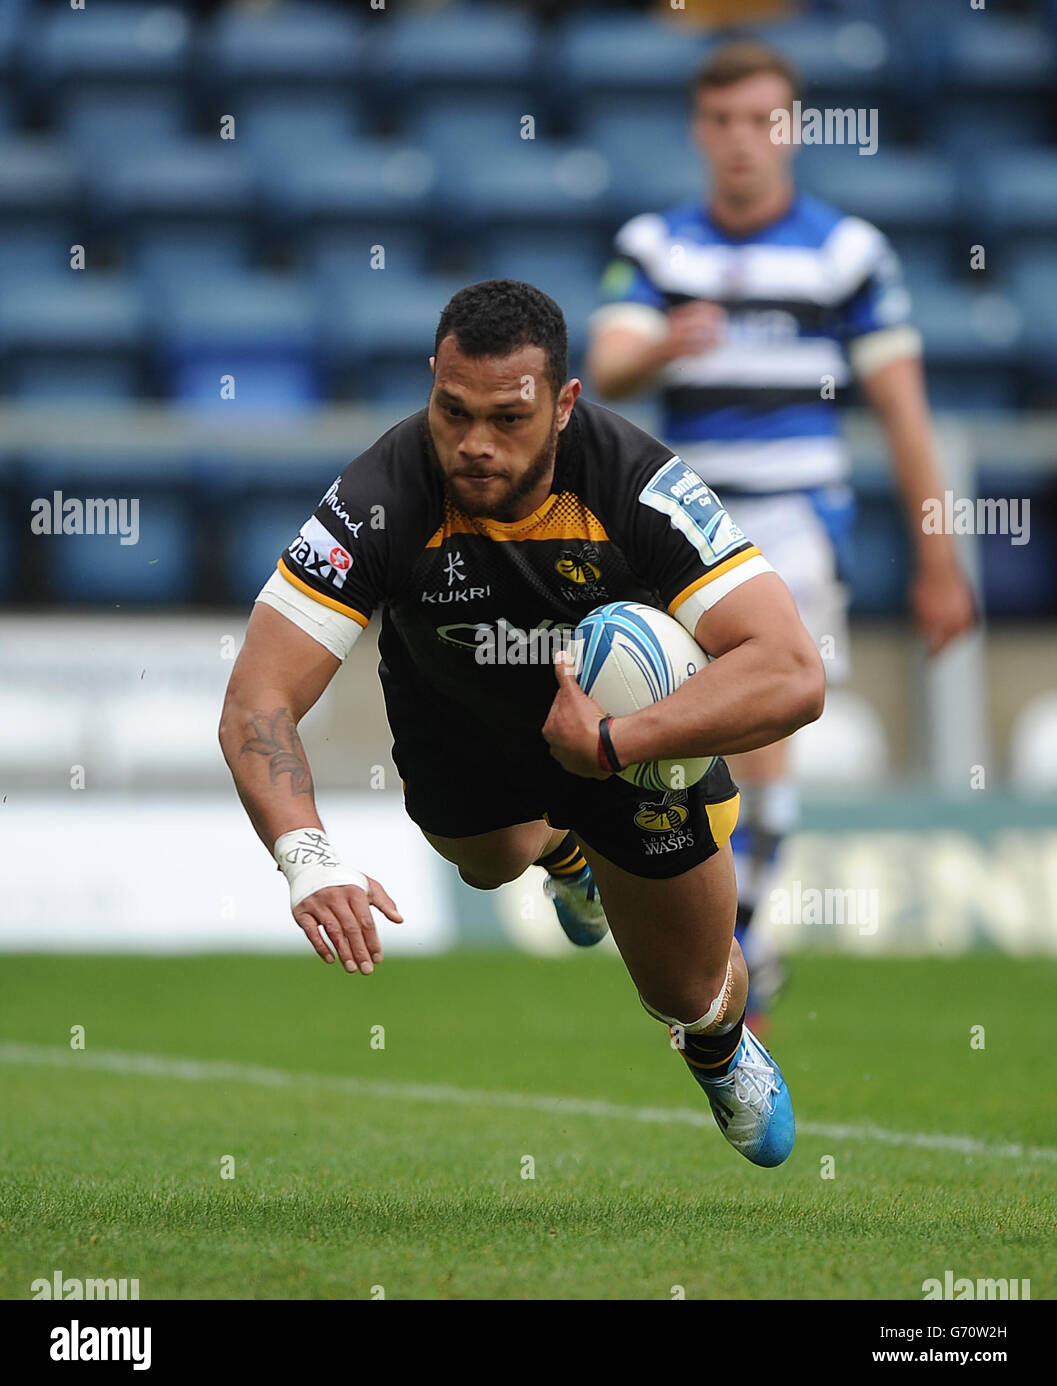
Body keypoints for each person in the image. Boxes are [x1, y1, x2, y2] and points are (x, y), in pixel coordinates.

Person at [219, 279, 825, 1167]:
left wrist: (616, 743)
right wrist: (305, 860)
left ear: (565, 403)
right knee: (487, 862)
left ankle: (717, 1047)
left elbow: (792, 671)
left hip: (621, 741)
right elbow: (256, 701)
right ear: (432, 380)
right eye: (451, 410)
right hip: (460, 725)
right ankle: (564, 853)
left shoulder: (637, 485)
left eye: (507, 418)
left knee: (689, 991)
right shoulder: (379, 496)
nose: (473, 444)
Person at [586, 41, 976, 1030]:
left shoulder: (845, 252)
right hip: (683, 527)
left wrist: (939, 558)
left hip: (799, 519)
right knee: (659, 733)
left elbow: (903, 410)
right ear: (696, 130)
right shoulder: (659, 245)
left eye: (760, 121)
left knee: (758, 737)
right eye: (720, 122)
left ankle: (743, 943)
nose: (740, 143)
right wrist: (667, 341)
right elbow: (606, 358)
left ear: (791, 128)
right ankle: (653, 892)